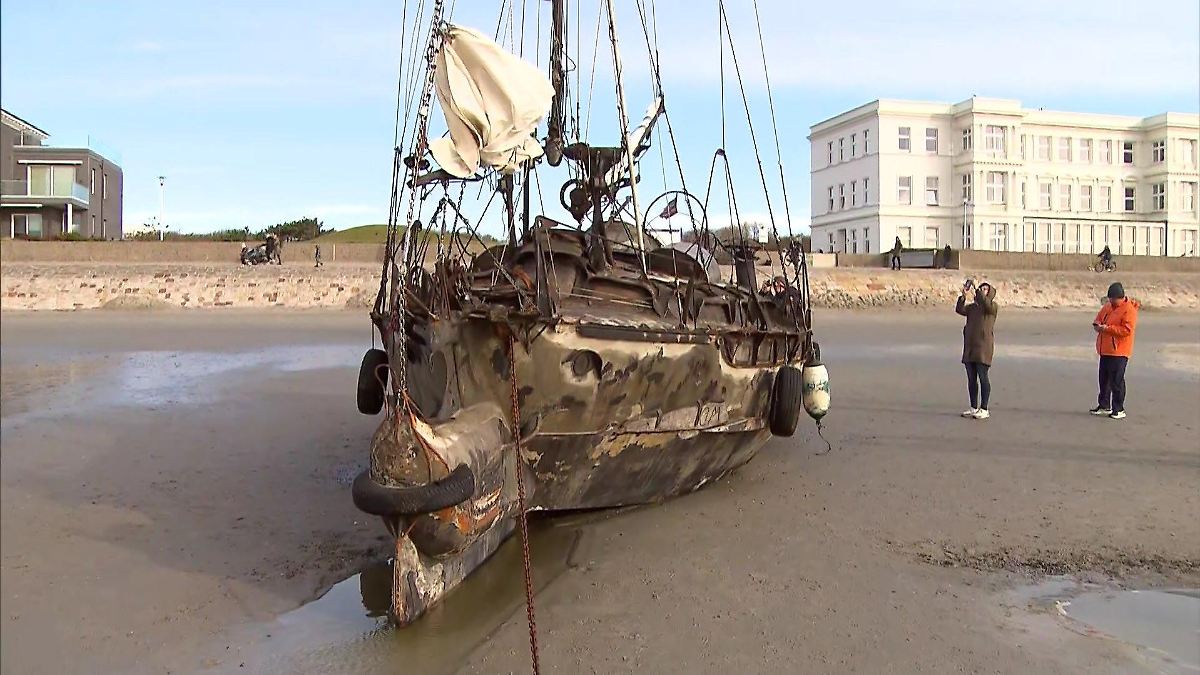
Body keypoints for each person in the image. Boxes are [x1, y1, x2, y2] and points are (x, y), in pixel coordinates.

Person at [1091, 282, 1139, 420]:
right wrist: (1097, 325)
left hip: (1119, 352)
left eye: (1113, 299)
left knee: (1116, 381)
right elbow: (1098, 319)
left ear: (1120, 297)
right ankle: (1104, 405)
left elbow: (1127, 330)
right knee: (1104, 380)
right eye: (1109, 298)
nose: (1111, 301)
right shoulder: (1107, 307)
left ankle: (1119, 409)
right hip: (1105, 349)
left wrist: (1107, 328)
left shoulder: (1129, 310)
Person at [956, 279, 998, 420]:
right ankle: (974, 407)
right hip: (970, 347)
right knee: (971, 379)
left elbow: (985, 302)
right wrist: (963, 296)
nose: (982, 290)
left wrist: (979, 292)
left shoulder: (992, 308)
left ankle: (984, 408)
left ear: (990, 293)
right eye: (981, 288)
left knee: (983, 377)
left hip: (983, 348)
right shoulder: (973, 308)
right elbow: (960, 310)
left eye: (985, 289)